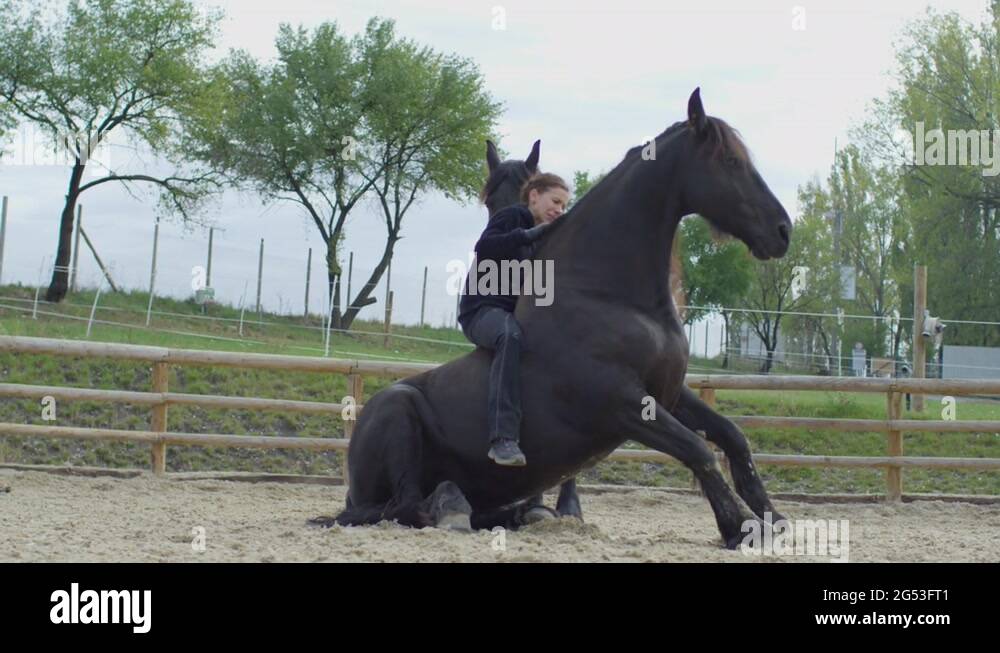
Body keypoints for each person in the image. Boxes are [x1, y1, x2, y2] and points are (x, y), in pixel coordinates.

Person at [458, 173, 570, 466]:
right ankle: (502, 439)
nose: (559, 209)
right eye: (555, 201)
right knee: (509, 335)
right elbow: (484, 247)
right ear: (534, 195)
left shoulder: (545, 240)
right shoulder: (512, 216)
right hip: (481, 311)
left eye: (564, 205)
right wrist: (531, 235)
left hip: (514, 314)